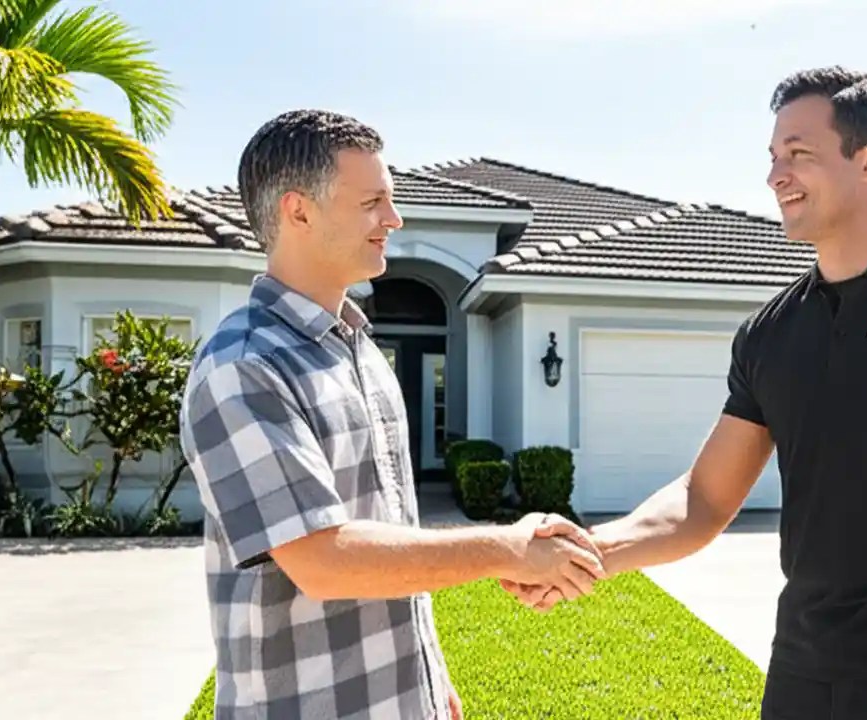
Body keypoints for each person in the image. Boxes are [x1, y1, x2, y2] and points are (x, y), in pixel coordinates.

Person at [504, 67, 867, 720]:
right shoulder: (773, 331)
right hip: (802, 684)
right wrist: (589, 552)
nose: (775, 176)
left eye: (799, 154)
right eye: (773, 157)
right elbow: (703, 498)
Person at [178, 109, 605, 720]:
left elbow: (386, 527)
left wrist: (430, 674)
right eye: (373, 201)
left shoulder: (360, 351)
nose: (393, 219)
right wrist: (507, 547)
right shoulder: (242, 366)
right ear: (298, 211)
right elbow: (324, 561)